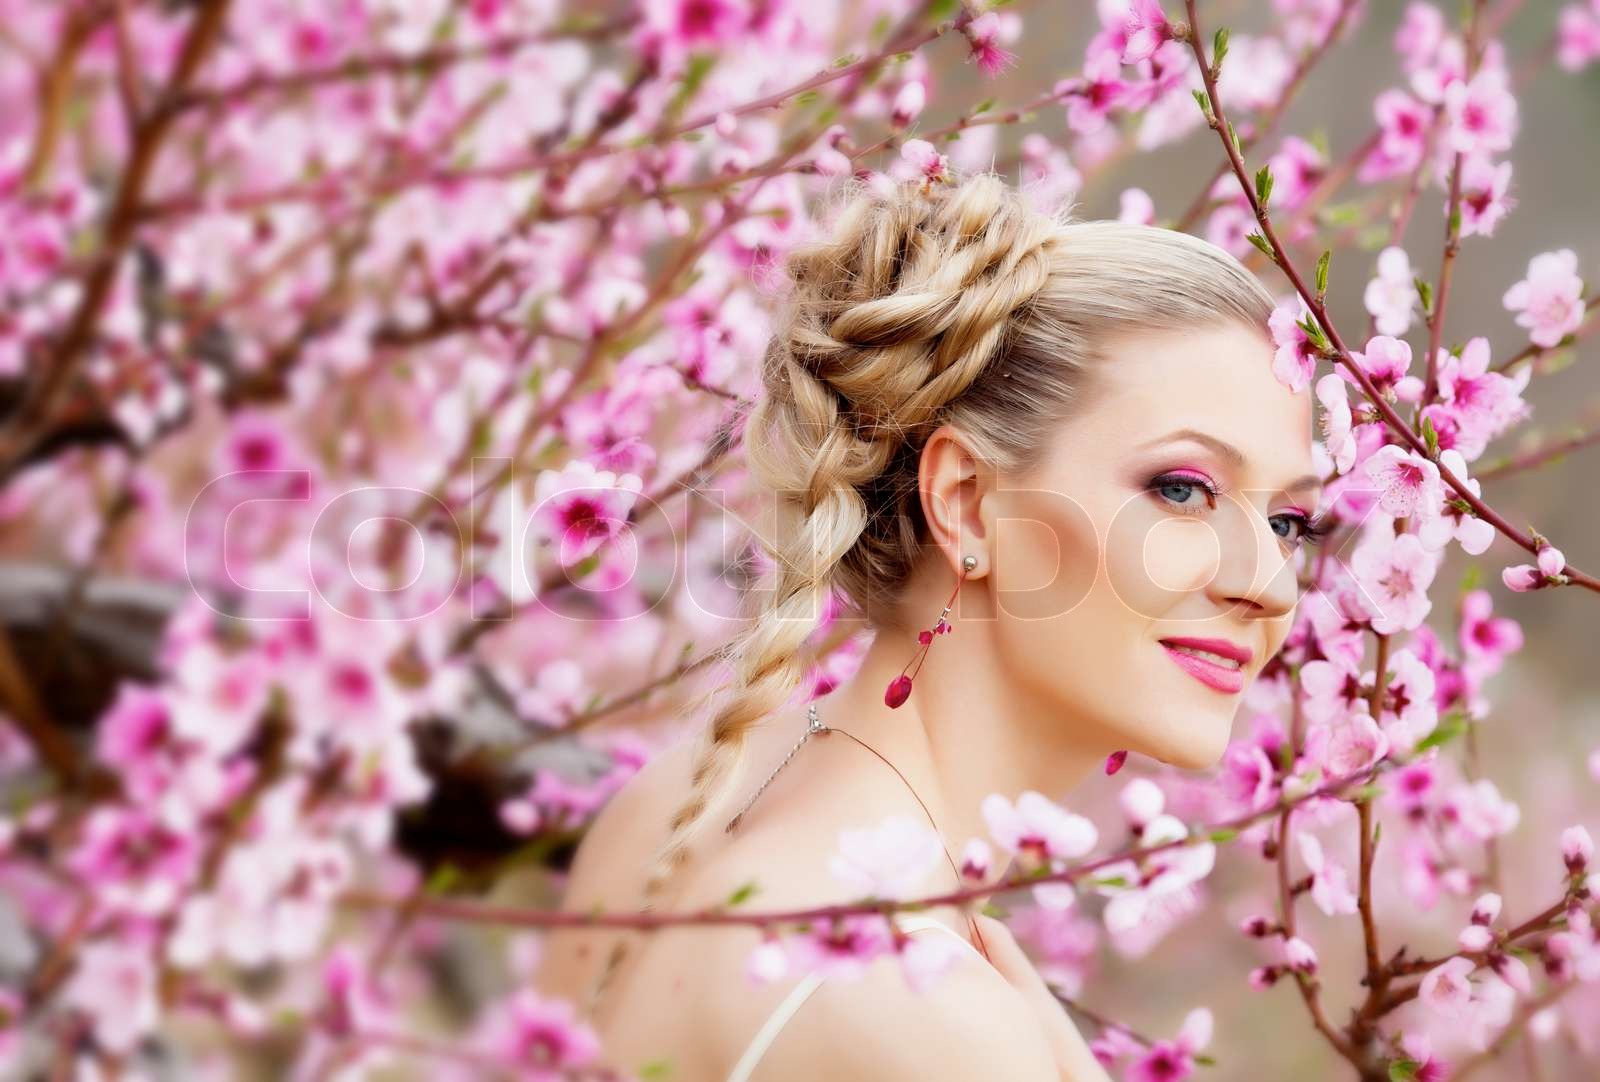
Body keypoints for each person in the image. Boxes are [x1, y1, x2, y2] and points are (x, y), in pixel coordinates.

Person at [534, 168, 1324, 1080]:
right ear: (968, 500)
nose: (1269, 584)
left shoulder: (680, 802)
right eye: (1182, 490)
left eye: (1287, 523)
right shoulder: (934, 1016)